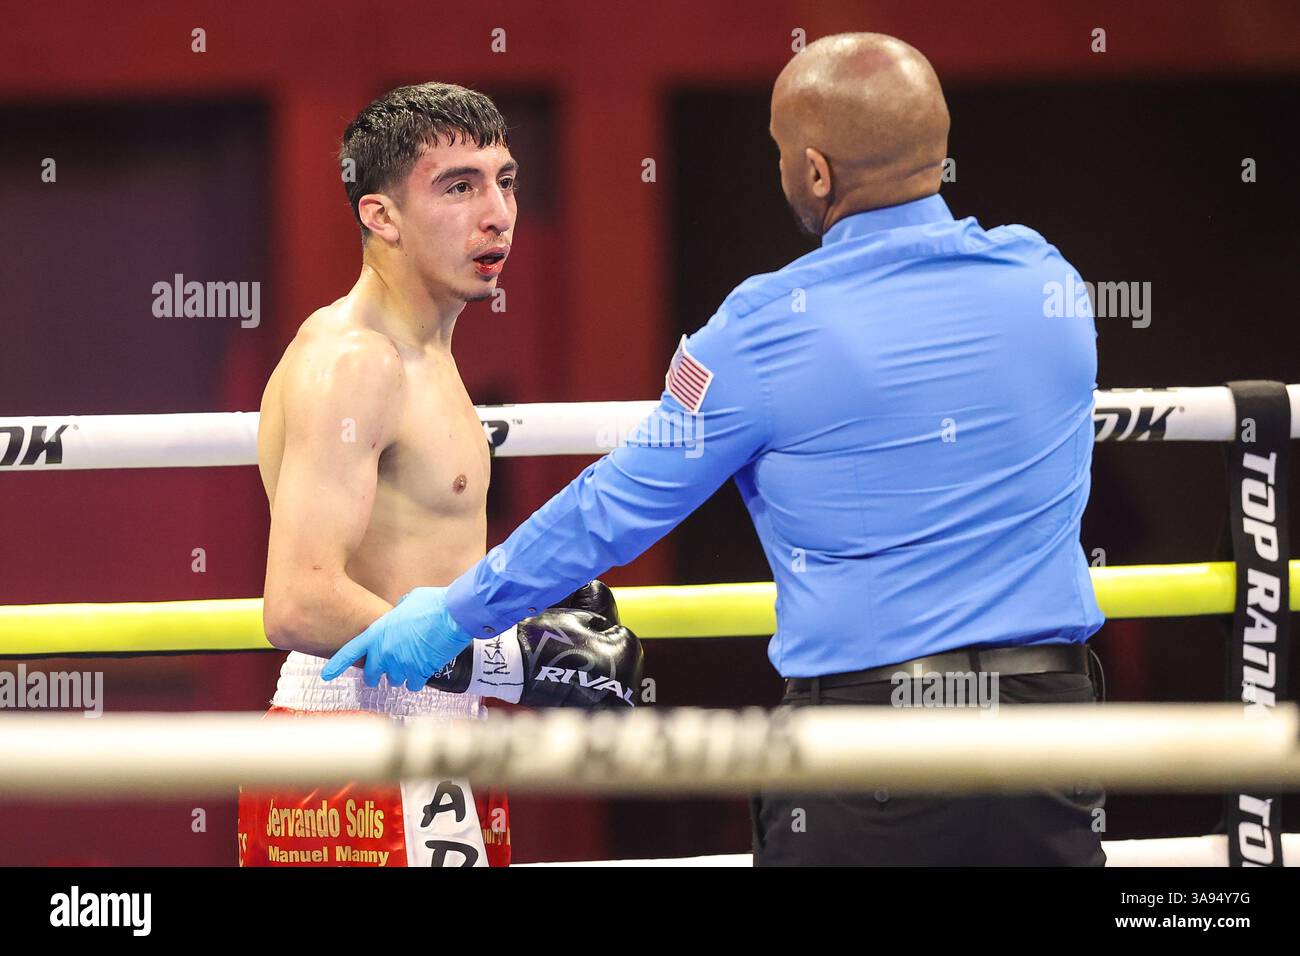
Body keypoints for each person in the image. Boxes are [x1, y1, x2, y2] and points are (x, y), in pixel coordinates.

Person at [325, 34, 1107, 866]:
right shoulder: (1048, 279)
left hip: (875, 740)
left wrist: (451, 615)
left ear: (814, 171)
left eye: (779, 153)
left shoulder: (767, 326)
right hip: (1048, 723)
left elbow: (618, 505)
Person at [239, 82, 641, 868]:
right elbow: (296, 600)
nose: (497, 212)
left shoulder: (428, 356)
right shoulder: (356, 362)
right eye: (459, 188)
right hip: (362, 742)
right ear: (380, 215)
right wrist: (512, 661)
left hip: (433, 731)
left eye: (506, 180)